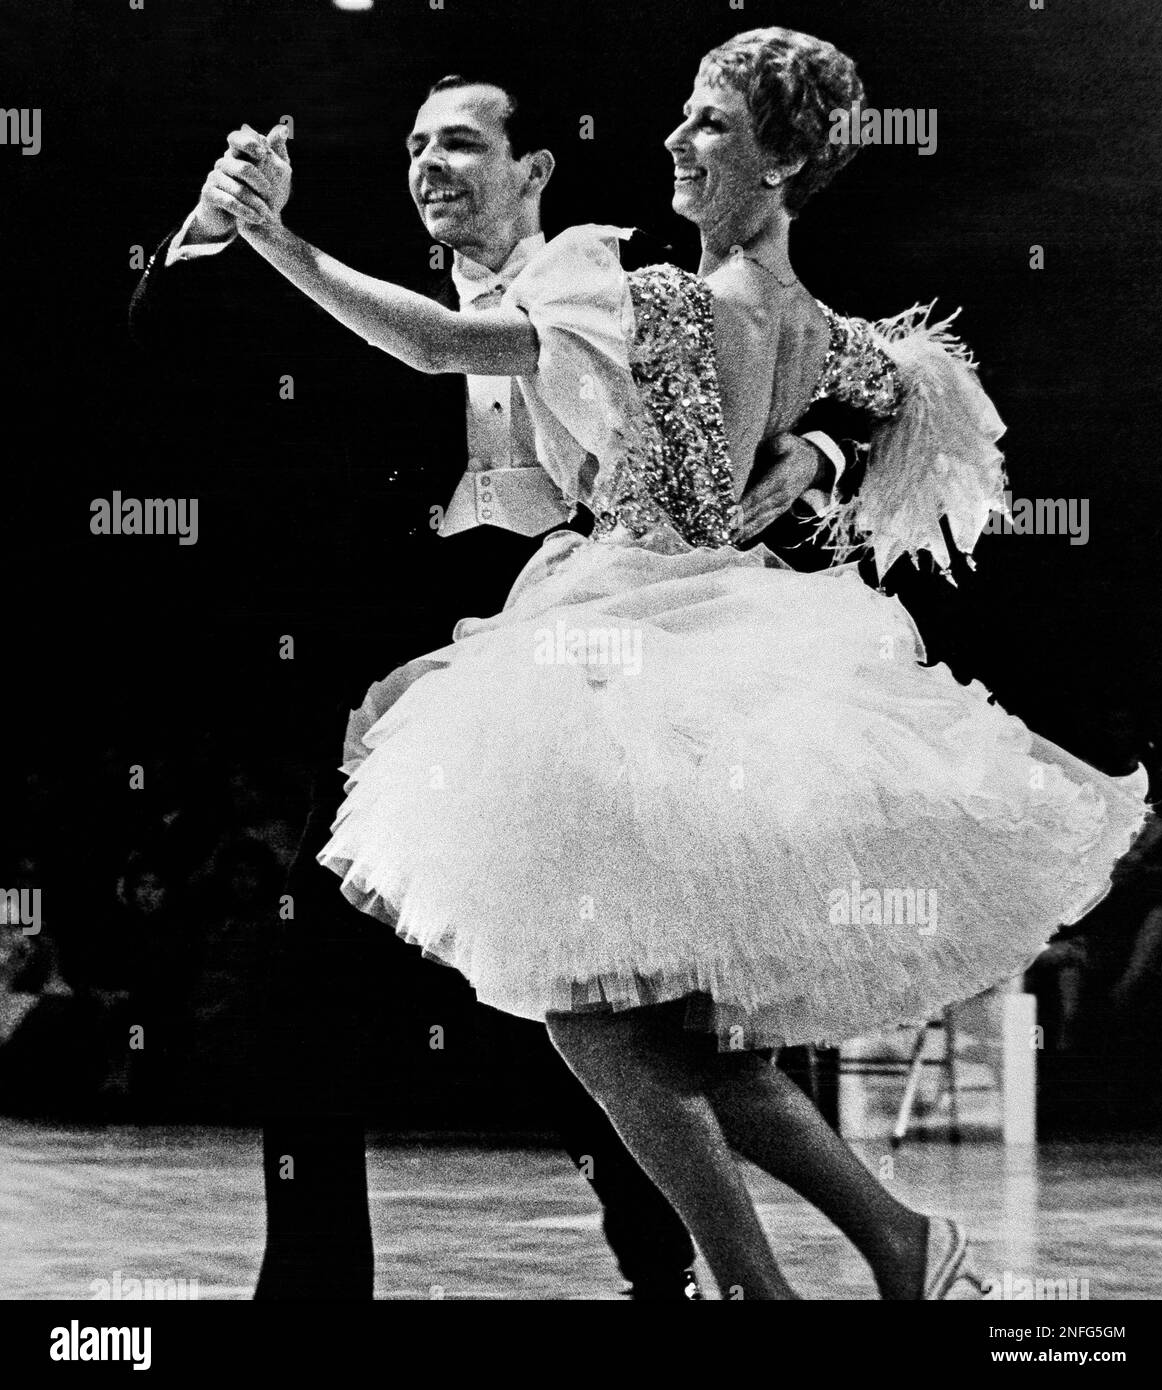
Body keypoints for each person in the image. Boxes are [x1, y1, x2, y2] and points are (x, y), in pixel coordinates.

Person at [212, 28, 1150, 1299]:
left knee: (603, 1017)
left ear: (780, 163)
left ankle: (773, 1285)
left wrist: (278, 242)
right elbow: (931, 386)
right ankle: (886, 1244)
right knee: (668, 1030)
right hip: (714, 644)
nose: (672, 139)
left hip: (638, 646)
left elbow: (442, 343)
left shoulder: (651, 297)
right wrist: (821, 455)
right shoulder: (818, 326)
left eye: (709, 123)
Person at [133, 69, 839, 1299]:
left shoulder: (627, 280)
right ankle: (309, 1290)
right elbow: (164, 348)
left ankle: (670, 1261)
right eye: (414, 146)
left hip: (601, 673)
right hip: (416, 688)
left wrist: (819, 449)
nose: (430, 167)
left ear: (535, 170)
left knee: (595, 999)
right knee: (311, 989)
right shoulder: (353, 303)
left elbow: (847, 355)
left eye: (462, 144)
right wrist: (213, 225)